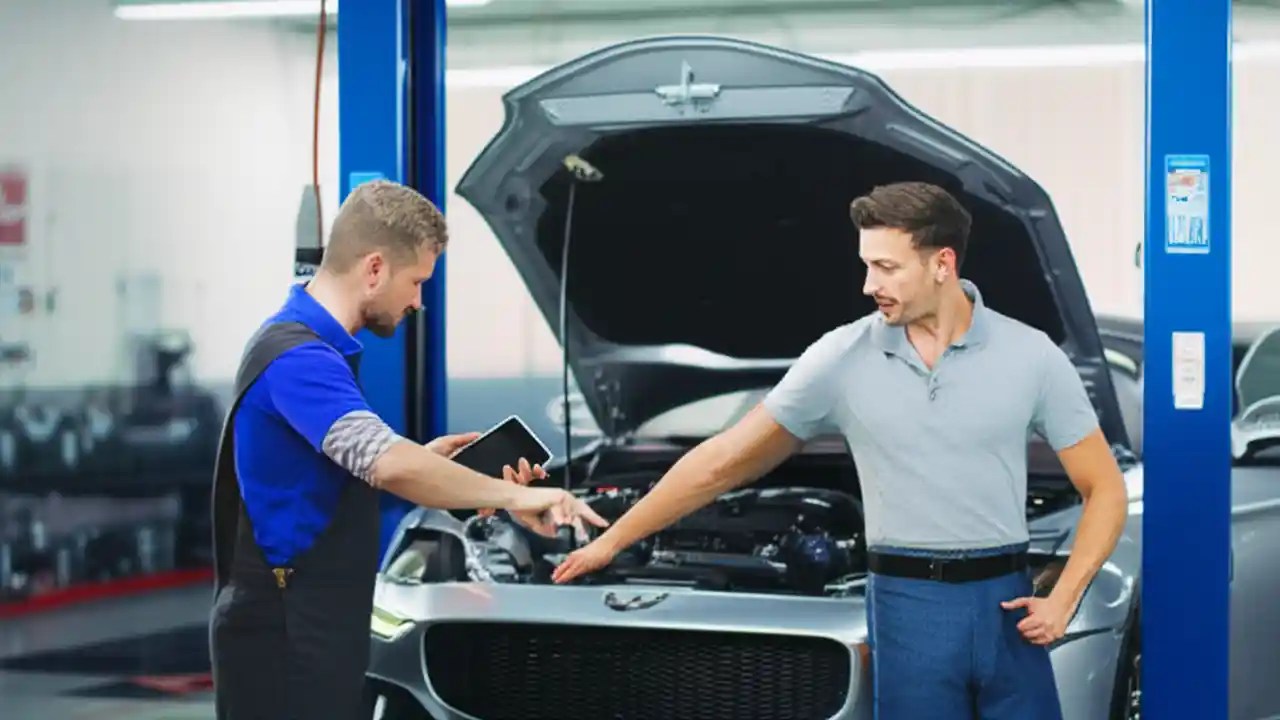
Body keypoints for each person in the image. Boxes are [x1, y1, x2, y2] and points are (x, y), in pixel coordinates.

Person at [552, 181, 1128, 719]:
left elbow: (1103, 487)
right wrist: (615, 539)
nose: (868, 284)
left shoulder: (1031, 356)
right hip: (907, 607)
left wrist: (1064, 599)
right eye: (866, 265)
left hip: (1007, 604)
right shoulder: (841, 356)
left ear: (942, 264)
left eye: (886, 267)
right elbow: (725, 458)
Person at [209, 179, 607, 720]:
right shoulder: (299, 359)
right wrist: (519, 499)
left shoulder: (318, 347)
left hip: (308, 620)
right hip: (283, 635)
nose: (419, 301)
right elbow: (388, 463)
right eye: (417, 281)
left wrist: (436, 466)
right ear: (374, 268)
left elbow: (347, 470)